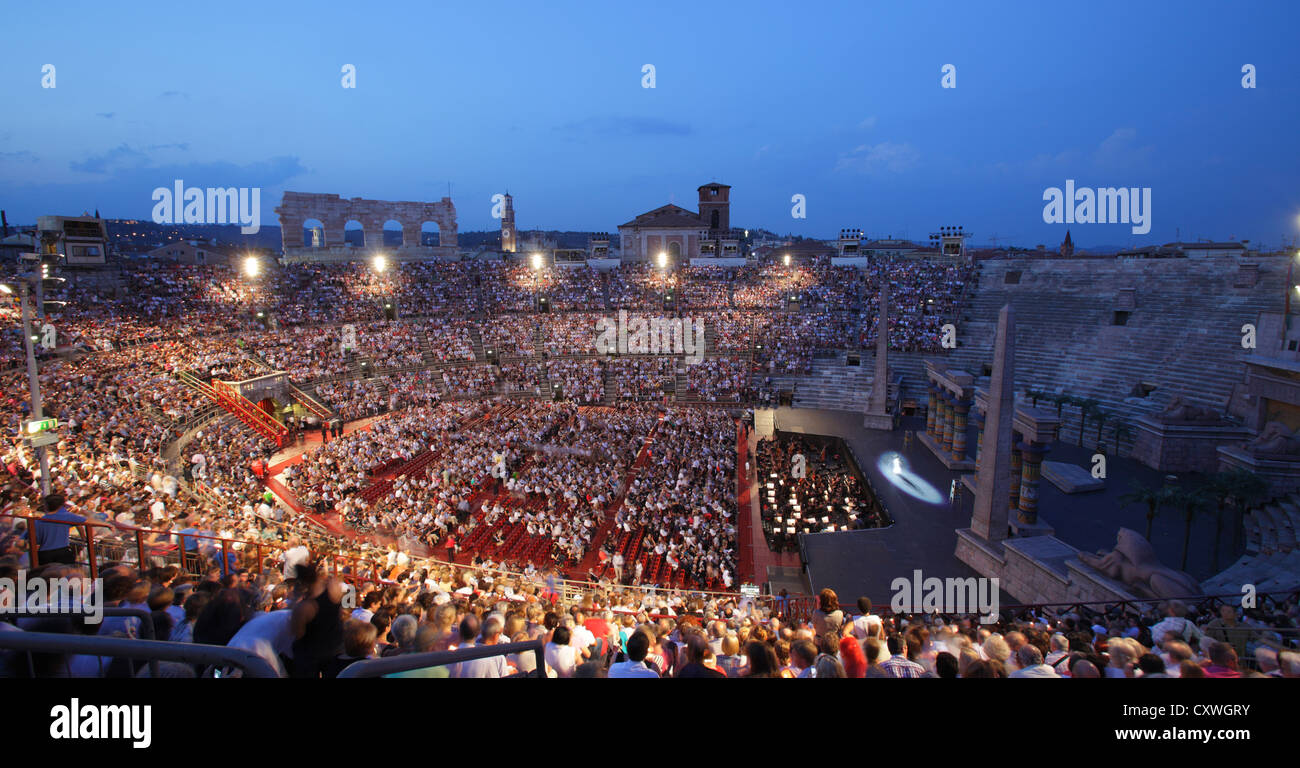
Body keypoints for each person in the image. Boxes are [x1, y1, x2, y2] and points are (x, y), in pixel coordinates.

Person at [31, 494, 85, 565]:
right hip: (62, 552)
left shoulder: (37, 521)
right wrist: (83, 539)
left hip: (44, 554)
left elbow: (33, 539)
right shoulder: (67, 516)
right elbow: (84, 522)